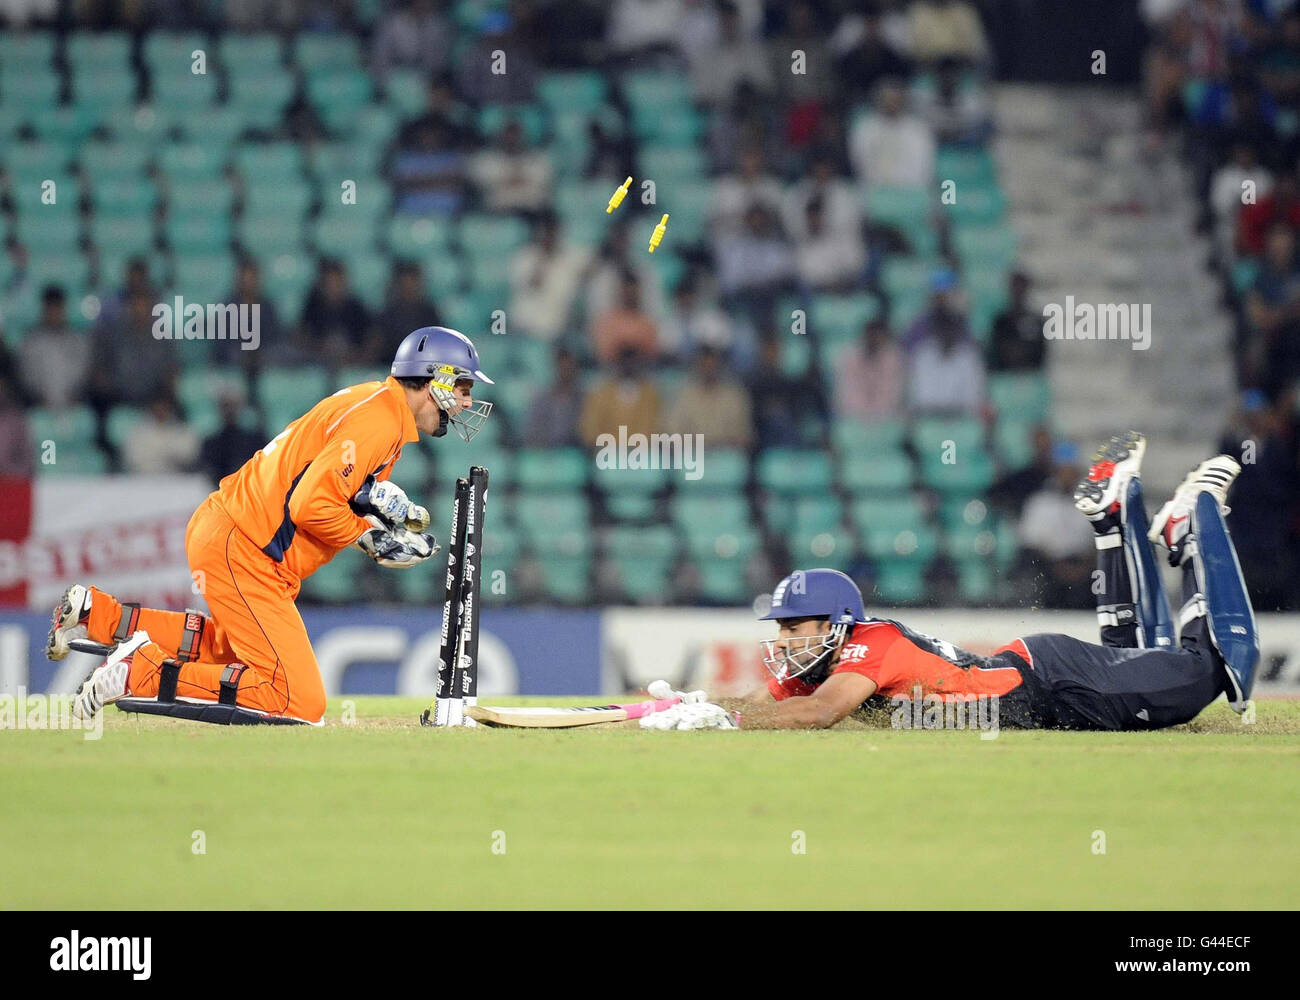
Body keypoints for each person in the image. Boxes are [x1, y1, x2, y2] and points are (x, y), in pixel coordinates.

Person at [640, 432, 1259, 731]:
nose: (785, 641)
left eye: (794, 627)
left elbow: (820, 715)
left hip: (1051, 683)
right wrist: (693, 706)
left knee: (1212, 672)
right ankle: (1115, 520)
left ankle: (1195, 518)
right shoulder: (822, 664)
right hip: (1038, 681)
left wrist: (729, 725)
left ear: (834, 626)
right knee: (1143, 657)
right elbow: (774, 705)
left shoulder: (866, 648)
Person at [50, 328, 495, 726]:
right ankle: (139, 673)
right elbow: (310, 504)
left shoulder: (378, 408)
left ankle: (96, 615)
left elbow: (324, 480)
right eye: (462, 386)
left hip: (232, 533)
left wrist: (377, 500)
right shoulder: (379, 420)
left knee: (227, 650)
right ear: (435, 377)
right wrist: (370, 538)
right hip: (245, 545)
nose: (467, 401)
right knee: (296, 699)